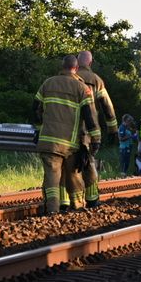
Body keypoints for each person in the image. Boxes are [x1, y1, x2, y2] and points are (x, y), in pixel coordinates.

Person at [31, 55, 99, 215]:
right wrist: (95, 139)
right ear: (76, 68)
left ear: (62, 67)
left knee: (52, 179)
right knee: (74, 176)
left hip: (49, 142)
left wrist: (39, 129)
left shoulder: (48, 83)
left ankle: (52, 211)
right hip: (71, 144)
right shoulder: (81, 88)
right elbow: (90, 116)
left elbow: (35, 109)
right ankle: (77, 207)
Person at [76, 50, 117, 207]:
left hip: (68, 129)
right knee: (89, 162)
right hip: (90, 130)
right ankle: (92, 199)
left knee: (69, 164)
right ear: (90, 63)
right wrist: (113, 130)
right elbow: (108, 107)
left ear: (77, 62)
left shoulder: (68, 78)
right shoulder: (96, 80)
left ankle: (72, 200)